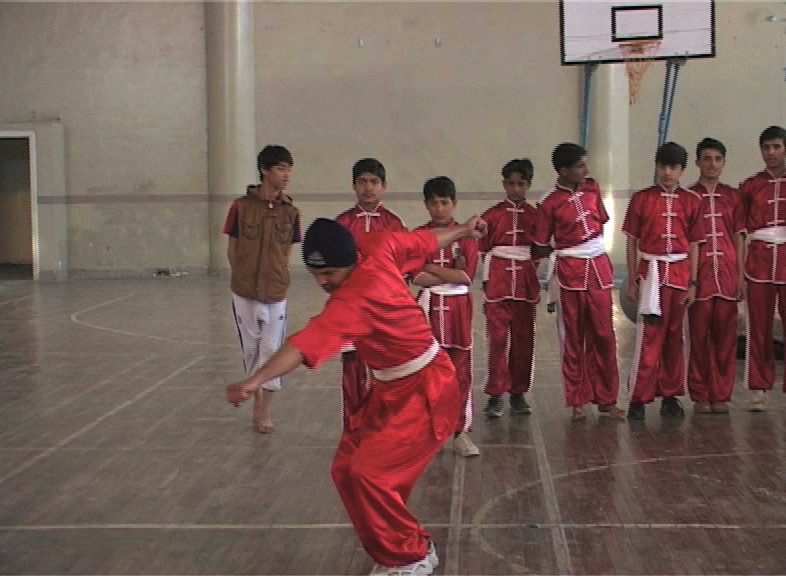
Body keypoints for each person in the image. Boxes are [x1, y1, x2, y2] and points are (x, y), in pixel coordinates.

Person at [227, 216, 487, 575]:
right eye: (315, 274)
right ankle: (392, 551)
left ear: (349, 261)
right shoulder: (376, 246)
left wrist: (256, 380)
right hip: (388, 390)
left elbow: (303, 344)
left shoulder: (355, 297)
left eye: (328, 274)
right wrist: (464, 230)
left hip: (427, 388)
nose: (321, 283)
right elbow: (425, 240)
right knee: (346, 469)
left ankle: (413, 554)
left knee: (370, 474)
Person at [533, 143, 624, 421]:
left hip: (598, 268)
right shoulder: (548, 203)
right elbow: (539, 244)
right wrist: (562, 252)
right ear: (563, 171)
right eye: (580, 166)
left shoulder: (593, 189)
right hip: (570, 272)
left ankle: (608, 399)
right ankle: (577, 400)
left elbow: (601, 223)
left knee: (605, 335)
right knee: (572, 337)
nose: (586, 170)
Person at [222, 145, 301, 433]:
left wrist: (279, 277)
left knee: (272, 349)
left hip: (276, 292)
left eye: (289, 169)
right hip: (244, 291)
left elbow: (287, 252)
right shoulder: (240, 207)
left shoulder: (291, 213)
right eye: (281, 168)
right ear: (265, 171)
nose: (286, 175)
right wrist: (242, 276)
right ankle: (254, 396)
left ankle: (264, 409)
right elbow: (232, 247)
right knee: (252, 350)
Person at [623, 142, 705, 421]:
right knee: (649, 337)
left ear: (683, 170)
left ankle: (671, 395)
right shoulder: (642, 199)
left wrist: (694, 282)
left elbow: (695, 244)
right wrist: (633, 281)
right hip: (651, 276)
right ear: (656, 166)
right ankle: (638, 397)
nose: (668, 173)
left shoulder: (693, 200)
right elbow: (632, 241)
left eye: (674, 167)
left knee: (675, 338)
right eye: (663, 166)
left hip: (680, 276)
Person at [335, 158, 407, 431]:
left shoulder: (394, 224)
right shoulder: (342, 224)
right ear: (354, 185)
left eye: (374, 182)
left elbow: (404, 267)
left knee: (386, 371)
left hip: (384, 311)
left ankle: (382, 429)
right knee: (352, 370)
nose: (368, 188)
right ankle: (352, 430)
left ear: (384, 186)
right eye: (363, 182)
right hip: (351, 309)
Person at [412, 176, 480, 456]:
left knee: (460, 369)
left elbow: (467, 277)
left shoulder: (467, 235)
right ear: (426, 205)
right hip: (428, 310)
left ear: (454, 204)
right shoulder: (416, 236)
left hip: (458, 311)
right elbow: (415, 276)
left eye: (445, 202)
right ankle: (426, 430)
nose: (439, 208)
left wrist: (433, 268)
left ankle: (459, 431)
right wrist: (448, 273)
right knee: (425, 371)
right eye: (434, 203)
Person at [479, 158, 541, 418]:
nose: (515, 189)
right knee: (497, 341)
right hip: (498, 285)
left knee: (524, 341)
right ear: (504, 184)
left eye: (521, 184)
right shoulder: (492, 215)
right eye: (511, 184)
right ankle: (495, 394)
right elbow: (483, 250)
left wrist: (530, 274)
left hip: (525, 285)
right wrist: (490, 280)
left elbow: (537, 251)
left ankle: (518, 392)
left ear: (528, 186)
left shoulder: (536, 216)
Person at [687, 138, 745, 414]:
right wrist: (689, 280)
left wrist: (742, 276)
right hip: (699, 276)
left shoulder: (733, 197)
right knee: (698, 337)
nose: (712, 164)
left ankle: (721, 393)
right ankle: (699, 393)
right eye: (707, 159)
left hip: (728, 274)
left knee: (725, 337)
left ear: (723, 163)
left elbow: (739, 236)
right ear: (697, 162)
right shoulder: (688, 197)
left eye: (717, 159)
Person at [739, 125, 786, 411]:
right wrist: (740, 270)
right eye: (766, 147)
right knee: (758, 326)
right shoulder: (750, 186)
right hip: (758, 262)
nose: (771, 153)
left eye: (776, 146)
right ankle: (759, 387)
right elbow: (741, 231)